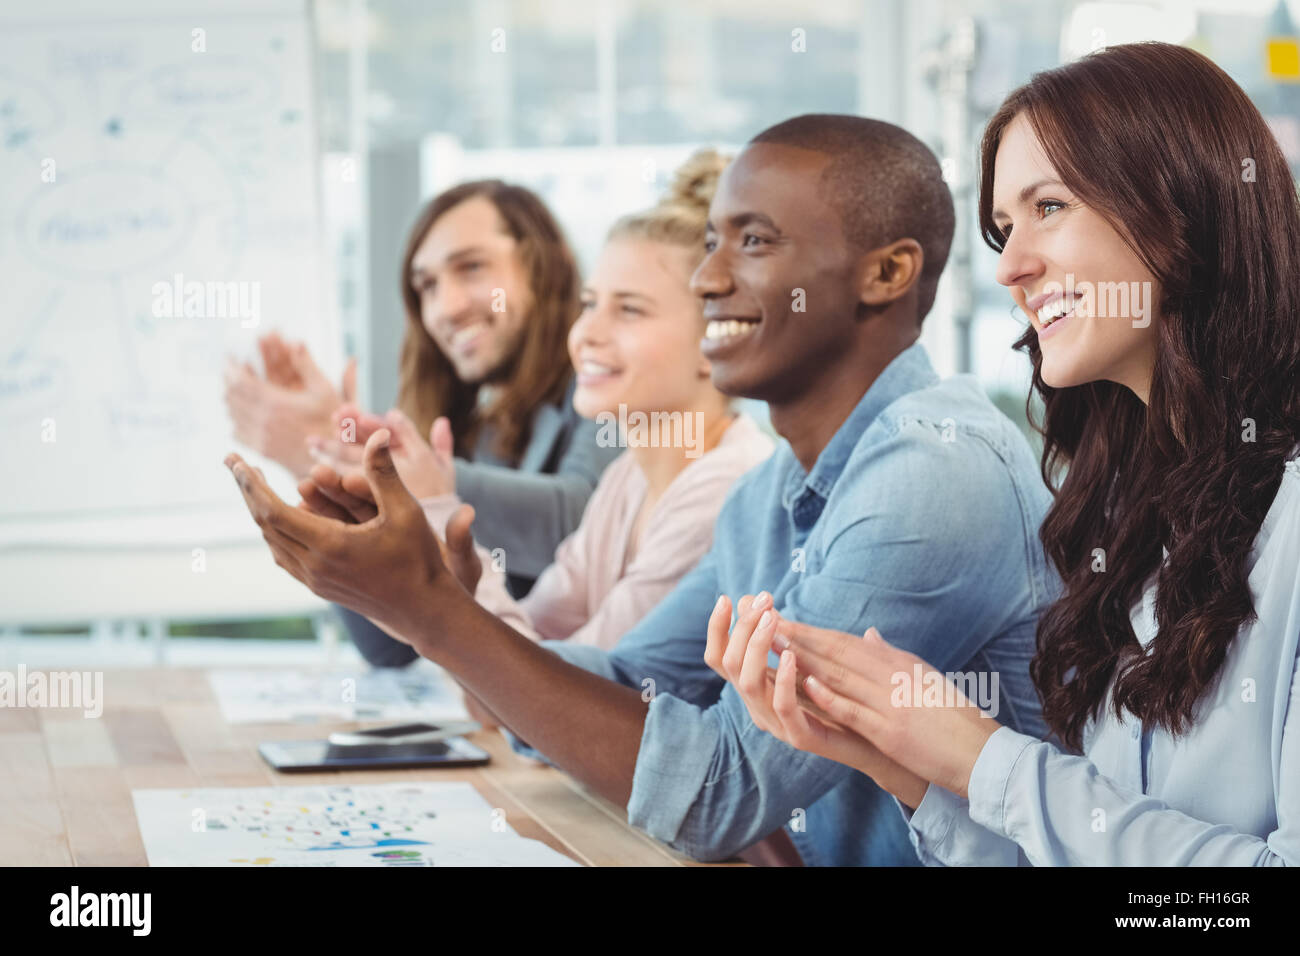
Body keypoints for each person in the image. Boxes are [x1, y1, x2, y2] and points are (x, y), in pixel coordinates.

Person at [225, 114, 1055, 866]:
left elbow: (721, 789)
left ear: (886, 272)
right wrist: (436, 605)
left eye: (754, 243)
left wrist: (433, 613)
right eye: (709, 244)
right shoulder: (768, 494)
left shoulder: (931, 473)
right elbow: (625, 685)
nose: (706, 279)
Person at [713, 43, 1300, 866]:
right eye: (1002, 227)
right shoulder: (1129, 514)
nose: (1011, 268)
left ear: (1183, 200)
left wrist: (980, 756)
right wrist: (889, 751)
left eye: (1049, 206)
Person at [319, 150, 772, 671]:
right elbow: (512, 687)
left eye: (628, 309)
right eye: (589, 304)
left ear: (713, 339)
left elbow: (560, 698)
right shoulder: (628, 482)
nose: (586, 335)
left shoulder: (721, 493)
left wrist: (442, 506)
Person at [225, 180, 622, 664]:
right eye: (427, 286)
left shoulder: (612, 382)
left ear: (545, 267)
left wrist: (429, 486)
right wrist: (324, 464)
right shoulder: (475, 424)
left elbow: (583, 519)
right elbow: (390, 648)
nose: (446, 307)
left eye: (471, 267)